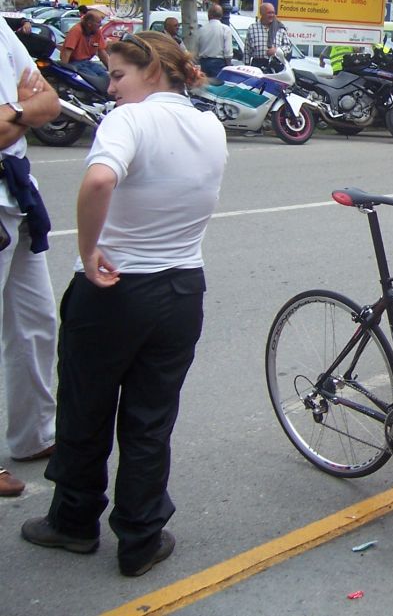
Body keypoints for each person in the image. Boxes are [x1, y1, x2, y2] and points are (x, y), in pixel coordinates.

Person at [21, 31, 226, 576]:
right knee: (150, 419)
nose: (111, 89)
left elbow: (98, 182)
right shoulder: (209, 124)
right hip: (182, 289)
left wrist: (89, 252)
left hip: (115, 290)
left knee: (86, 408)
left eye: (117, 76)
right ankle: (140, 536)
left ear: (153, 70)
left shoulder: (129, 120)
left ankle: (73, 521)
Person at [0, 17, 61, 499]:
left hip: (15, 193)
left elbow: (50, 102)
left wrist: (15, 112)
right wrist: (25, 109)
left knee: (36, 320)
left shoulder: (2, 28)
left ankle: (33, 435)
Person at [60, 10, 108, 79]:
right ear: (89, 24)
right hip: (74, 63)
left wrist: (112, 70)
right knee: (94, 79)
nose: (101, 25)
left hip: (87, 62)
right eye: (98, 23)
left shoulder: (97, 31)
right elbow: (66, 53)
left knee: (105, 77)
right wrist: (64, 72)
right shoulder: (76, 30)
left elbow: (102, 53)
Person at [246, 3, 291, 69]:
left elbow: (288, 46)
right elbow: (247, 50)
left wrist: (277, 51)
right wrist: (246, 66)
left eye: (273, 13)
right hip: (257, 65)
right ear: (262, 13)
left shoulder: (280, 28)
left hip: (275, 65)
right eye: (269, 13)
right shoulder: (252, 28)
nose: (272, 15)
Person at [193, 3, 234, 77]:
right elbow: (228, 51)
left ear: (209, 15)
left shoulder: (201, 30)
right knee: (217, 86)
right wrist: (229, 65)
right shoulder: (225, 29)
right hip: (219, 63)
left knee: (205, 85)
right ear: (221, 16)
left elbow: (196, 49)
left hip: (204, 63)